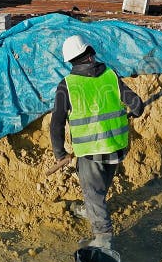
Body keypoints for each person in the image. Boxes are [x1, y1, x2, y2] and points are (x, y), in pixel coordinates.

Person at [49, 35, 144, 249]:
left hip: (91, 151)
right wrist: (136, 110)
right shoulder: (111, 76)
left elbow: (56, 124)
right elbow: (136, 104)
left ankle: (103, 238)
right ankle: (90, 211)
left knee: (93, 192)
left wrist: (59, 153)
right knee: (98, 190)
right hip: (116, 147)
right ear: (90, 52)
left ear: (71, 61)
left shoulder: (67, 85)